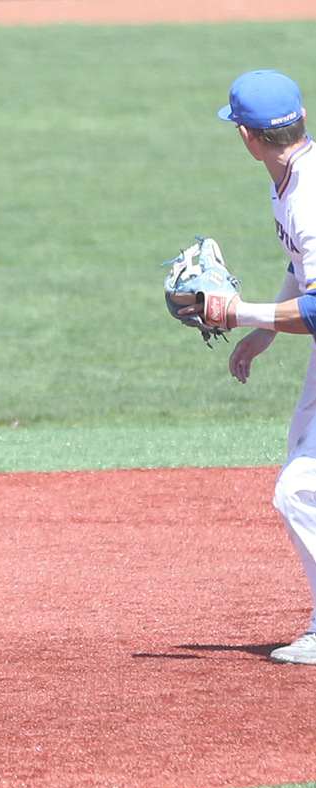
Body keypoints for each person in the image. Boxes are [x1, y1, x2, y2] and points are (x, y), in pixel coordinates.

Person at [199, 69, 316, 664]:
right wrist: (266, 329)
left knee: (299, 491)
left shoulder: (308, 194)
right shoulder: (293, 177)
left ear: (244, 134)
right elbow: (306, 271)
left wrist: (239, 313)